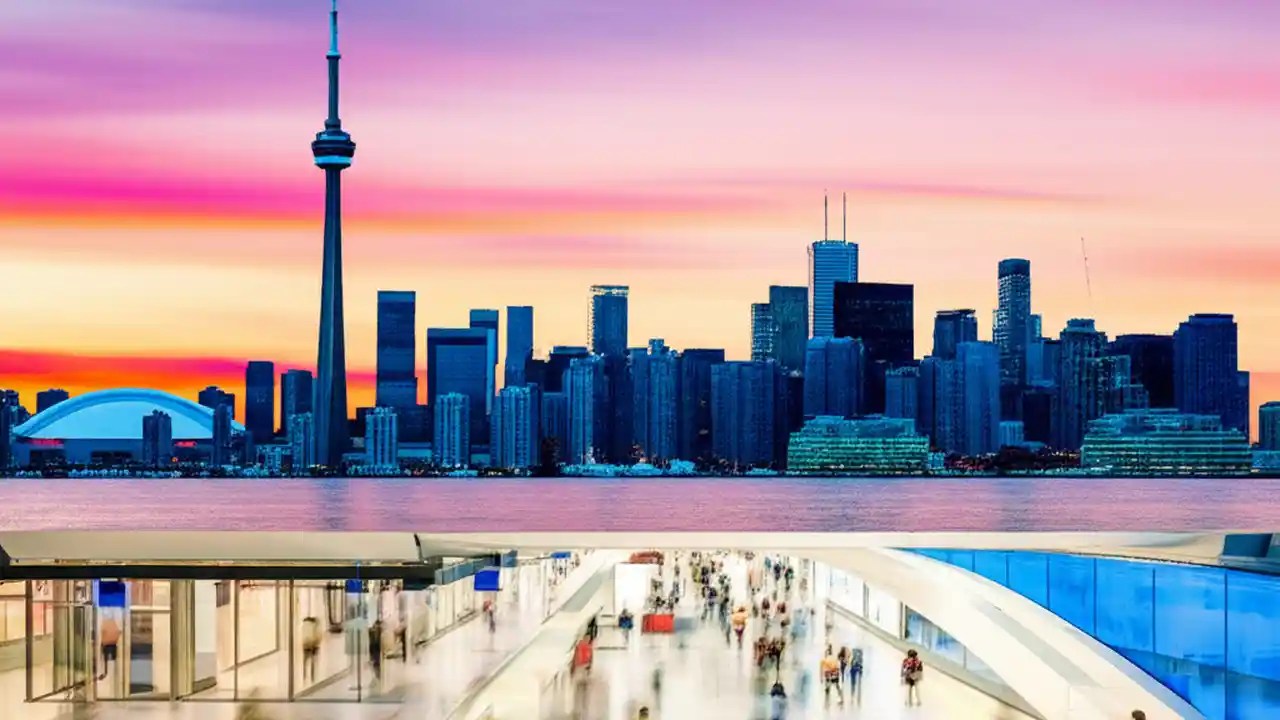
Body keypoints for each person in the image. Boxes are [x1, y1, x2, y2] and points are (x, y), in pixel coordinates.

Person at [98, 614, 121, 681]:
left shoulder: (106, 622)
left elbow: (103, 631)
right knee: (112, 660)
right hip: (112, 644)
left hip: (107, 644)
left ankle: (105, 672)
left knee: (106, 659)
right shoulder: (113, 622)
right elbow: (118, 632)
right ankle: (107, 673)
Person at [301, 616, 321, 683]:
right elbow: (317, 636)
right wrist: (316, 644)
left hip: (305, 645)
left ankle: (304, 677)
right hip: (312, 645)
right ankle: (313, 678)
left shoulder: (304, 625)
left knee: (305, 662)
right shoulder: (314, 625)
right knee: (313, 662)